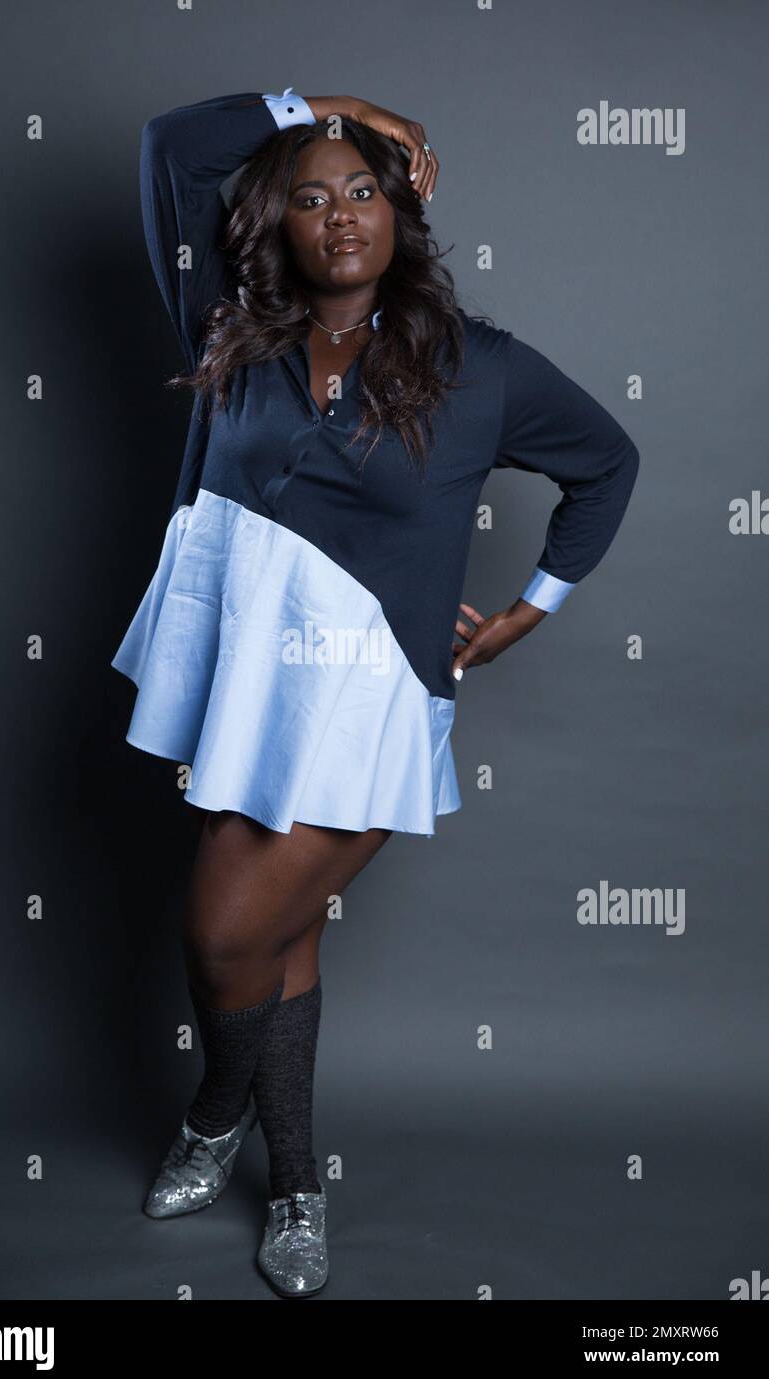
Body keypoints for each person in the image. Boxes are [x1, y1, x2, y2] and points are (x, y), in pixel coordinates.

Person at [111, 87, 640, 1298]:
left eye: (361, 189)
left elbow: (606, 461)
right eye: (310, 196)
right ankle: (296, 1184)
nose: (339, 216)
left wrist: (527, 610)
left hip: (371, 693)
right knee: (280, 936)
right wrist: (332, 101)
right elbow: (167, 150)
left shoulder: (478, 366)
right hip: (246, 683)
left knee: (225, 929)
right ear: (275, 223)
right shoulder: (227, 326)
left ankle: (212, 1111)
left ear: (400, 211)